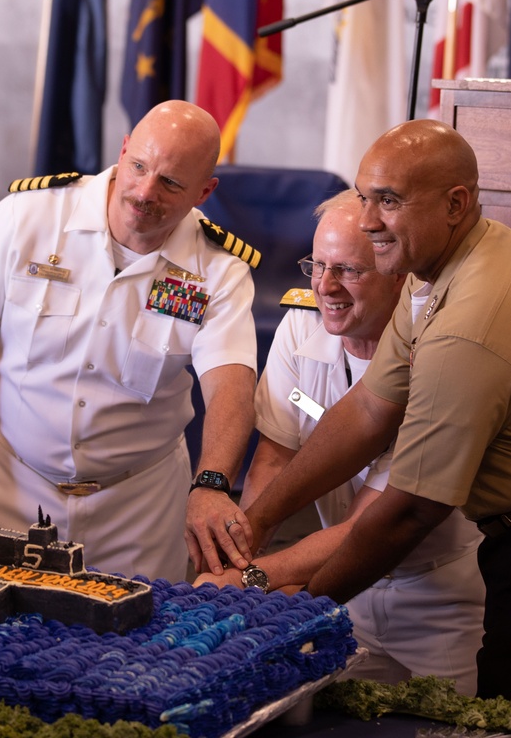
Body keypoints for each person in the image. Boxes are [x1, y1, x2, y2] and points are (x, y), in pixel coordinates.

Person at [186, 119, 511, 720]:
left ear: (455, 204)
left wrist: (280, 605)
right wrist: (254, 525)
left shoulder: (468, 321)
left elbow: (410, 511)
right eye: (365, 197)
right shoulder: (438, 271)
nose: (368, 220)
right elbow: (368, 410)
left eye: (388, 201)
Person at [0, 100, 258, 583]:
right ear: (123, 149)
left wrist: (213, 483)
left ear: (205, 191)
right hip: (8, 485)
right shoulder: (30, 216)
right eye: (138, 166)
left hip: (139, 504)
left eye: (171, 183)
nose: (143, 191)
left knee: (131, 654)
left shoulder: (219, 269)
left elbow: (230, 388)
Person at [195, 190, 485, 693]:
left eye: (349, 270)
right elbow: (275, 457)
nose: (325, 287)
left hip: (436, 598)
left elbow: (373, 523)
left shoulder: (437, 356)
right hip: (337, 587)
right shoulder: (301, 324)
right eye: (317, 264)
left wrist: (255, 578)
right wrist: (240, 554)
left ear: (399, 273)